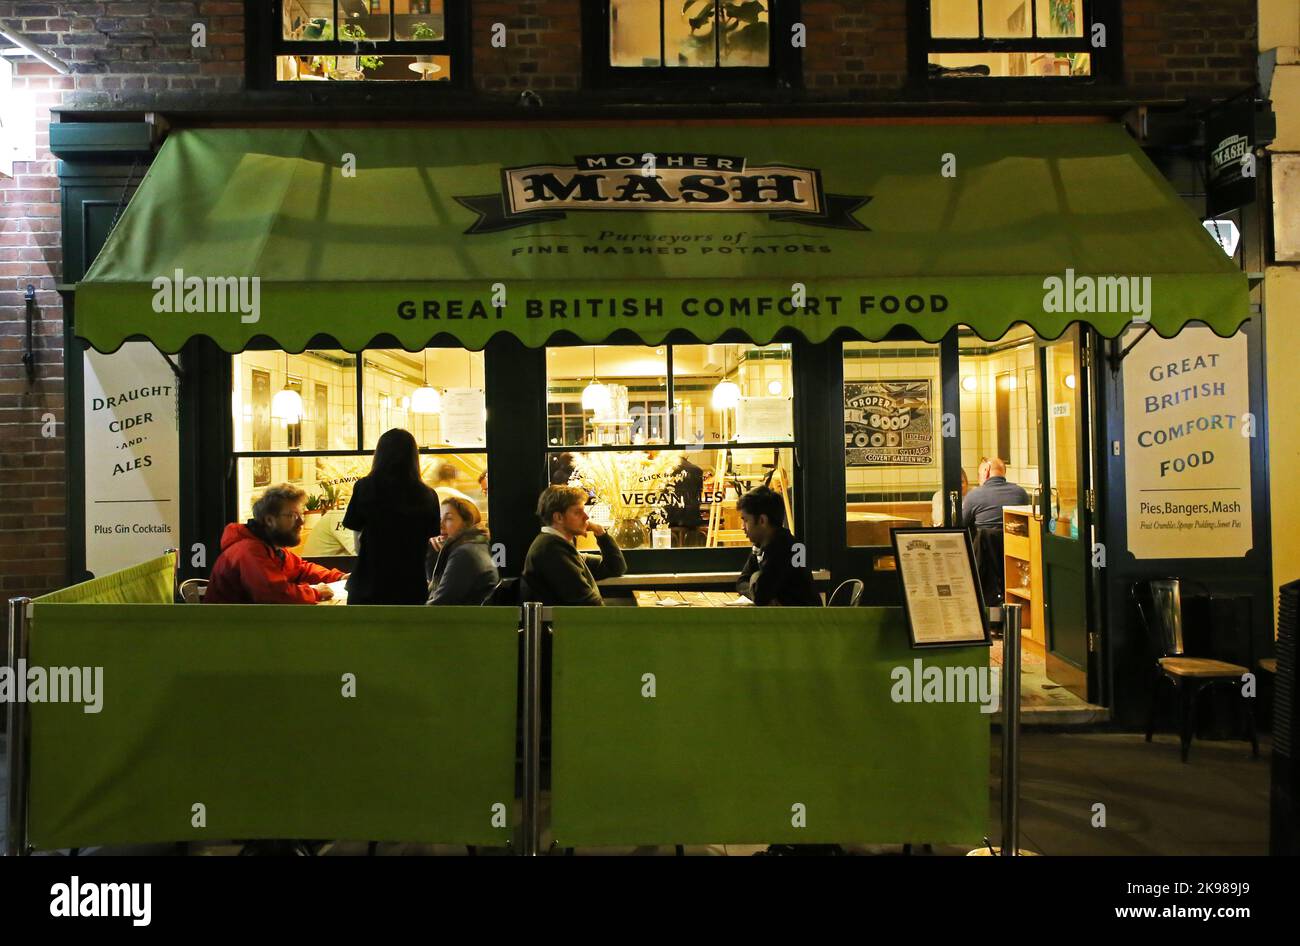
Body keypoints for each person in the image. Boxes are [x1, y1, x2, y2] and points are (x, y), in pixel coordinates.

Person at [343, 428, 441, 605]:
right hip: (410, 587)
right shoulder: (427, 495)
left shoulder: (365, 488)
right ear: (414, 457)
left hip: (368, 585)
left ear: (379, 455)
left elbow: (357, 540)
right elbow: (428, 542)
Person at [205, 484, 347, 604]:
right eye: (292, 515)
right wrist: (315, 592)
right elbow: (274, 594)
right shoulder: (248, 551)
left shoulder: (271, 547)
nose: (301, 522)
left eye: (301, 514)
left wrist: (339, 577)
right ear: (269, 520)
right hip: (231, 632)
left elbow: (302, 569)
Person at [522, 485, 626, 606]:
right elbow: (588, 604)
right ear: (558, 517)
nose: (586, 517)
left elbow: (615, 567)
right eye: (578, 512)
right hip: (566, 624)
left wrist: (601, 533)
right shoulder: (552, 551)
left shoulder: (559, 545)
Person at [736, 485, 820, 606]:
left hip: (803, 622)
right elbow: (741, 582)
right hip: (785, 619)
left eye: (745, 520)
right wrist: (756, 586)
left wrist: (755, 577)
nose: (742, 527)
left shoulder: (785, 548)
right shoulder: (762, 544)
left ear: (762, 520)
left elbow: (760, 595)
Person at [426, 496, 500, 606]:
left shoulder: (465, 553)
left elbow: (439, 605)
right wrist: (433, 552)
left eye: (448, 518)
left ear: (467, 523)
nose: (440, 525)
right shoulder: (476, 546)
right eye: (440, 519)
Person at [961, 457, 1030, 530]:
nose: (978, 480)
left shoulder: (973, 495)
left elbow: (962, 524)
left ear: (986, 471)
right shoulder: (1021, 493)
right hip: (1013, 540)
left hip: (985, 540)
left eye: (979, 474)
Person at [664, 452, 706, 547]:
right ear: (687, 456)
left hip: (670, 518)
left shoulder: (665, 469)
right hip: (691, 518)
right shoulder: (697, 470)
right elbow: (699, 494)